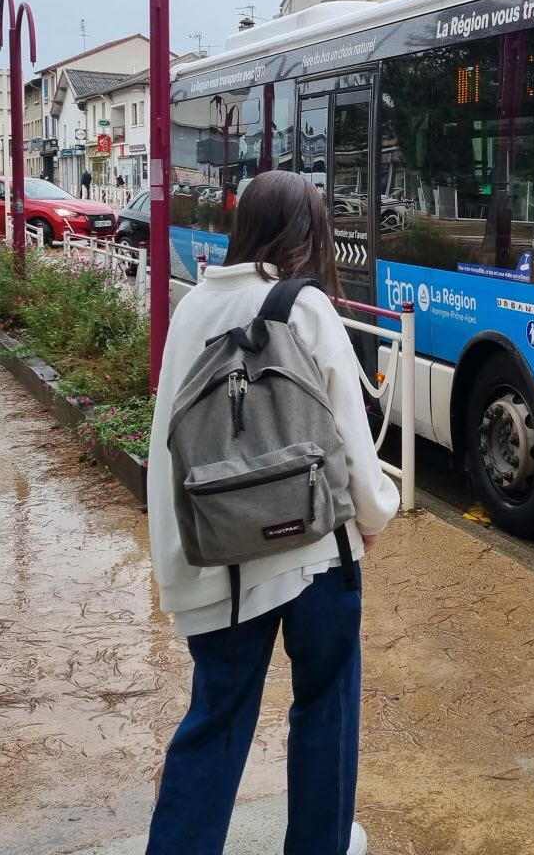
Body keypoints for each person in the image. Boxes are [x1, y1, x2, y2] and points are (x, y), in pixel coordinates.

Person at [144, 170, 399, 855]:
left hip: (218, 558)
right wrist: (375, 516)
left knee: (215, 719)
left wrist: (176, 560)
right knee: (326, 705)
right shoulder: (304, 305)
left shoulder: (193, 307)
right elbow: (349, 432)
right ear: (305, 235)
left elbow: (167, 436)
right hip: (315, 551)